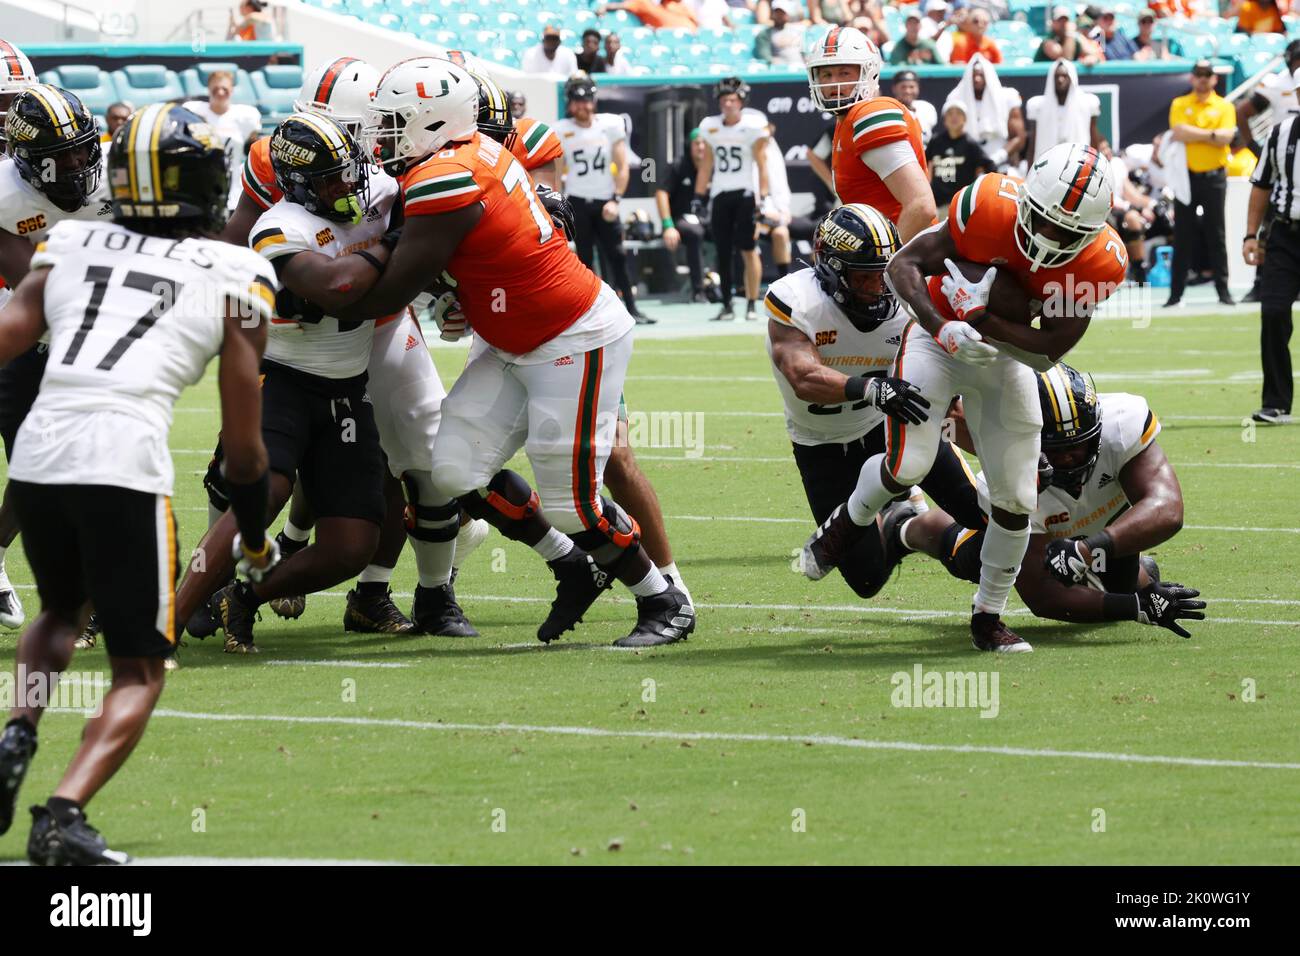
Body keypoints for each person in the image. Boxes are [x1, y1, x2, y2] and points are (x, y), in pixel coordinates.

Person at [0, 102, 277, 864]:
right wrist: (252, 538)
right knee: (140, 667)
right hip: (122, 463)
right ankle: (62, 815)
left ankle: (17, 732)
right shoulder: (238, 271)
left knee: (58, 613)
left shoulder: (70, 239)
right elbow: (246, 453)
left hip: (38, 452)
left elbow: (10, 337)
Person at [346, 57, 694, 647]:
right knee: (450, 468)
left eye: (396, 121)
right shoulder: (469, 152)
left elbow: (400, 282)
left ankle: (664, 601)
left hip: (570, 337)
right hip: (512, 340)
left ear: (434, 120)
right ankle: (575, 566)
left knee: (573, 502)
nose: (383, 134)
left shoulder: (446, 176)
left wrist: (308, 285)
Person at [803, 144, 1123, 654]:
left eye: (1068, 233)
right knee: (910, 463)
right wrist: (943, 325)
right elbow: (903, 266)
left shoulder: (1100, 263)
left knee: (1018, 499)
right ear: (1026, 201)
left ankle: (988, 617)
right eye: (1042, 221)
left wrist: (983, 320)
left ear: (1092, 232)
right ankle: (848, 521)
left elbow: (1048, 350)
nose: (1049, 238)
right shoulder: (988, 204)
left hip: (1007, 357)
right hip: (937, 339)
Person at [767, 203, 984, 599]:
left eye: (882, 274)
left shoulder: (904, 303)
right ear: (832, 270)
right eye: (865, 277)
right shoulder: (797, 301)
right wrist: (871, 389)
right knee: (866, 578)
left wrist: (999, 454)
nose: (878, 288)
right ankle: (904, 529)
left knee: (981, 513)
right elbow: (802, 377)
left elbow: (951, 405)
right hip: (823, 446)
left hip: (893, 423)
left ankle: (948, 540)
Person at [896, 364, 1206, 636]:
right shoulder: (1007, 473)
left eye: (1080, 445)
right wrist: (1135, 607)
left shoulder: (1122, 423)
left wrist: (1089, 549)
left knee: (1118, 584)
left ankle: (1123, 569)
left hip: (1096, 527)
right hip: (1036, 528)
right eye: (1057, 449)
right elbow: (1042, 595)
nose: (1070, 458)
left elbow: (1168, 508)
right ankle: (907, 526)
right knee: (971, 558)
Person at [0, 85, 113, 633]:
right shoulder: (5, 195)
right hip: (24, 339)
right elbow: (34, 292)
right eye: (59, 155)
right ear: (26, 159)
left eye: (81, 148)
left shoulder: (118, 171)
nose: (76, 163)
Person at [806, 26, 936, 241]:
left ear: (869, 72)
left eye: (844, 73)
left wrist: (886, 267)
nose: (832, 83)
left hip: (908, 260)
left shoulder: (870, 114)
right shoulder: (846, 120)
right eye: (826, 74)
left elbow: (921, 205)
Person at [555, 76, 652, 322]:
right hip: (577, 201)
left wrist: (616, 199)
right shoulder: (562, 129)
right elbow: (556, 171)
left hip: (605, 201)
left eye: (585, 100)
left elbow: (621, 164)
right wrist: (558, 203)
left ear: (593, 101)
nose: (582, 107)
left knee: (617, 256)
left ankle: (631, 308)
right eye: (577, 102)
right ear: (570, 103)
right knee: (585, 260)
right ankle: (591, 312)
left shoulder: (609, 125)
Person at [694, 76, 770, 321]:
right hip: (720, 194)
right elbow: (707, 164)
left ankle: (750, 303)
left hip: (745, 193)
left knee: (748, 250)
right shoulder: (709, 126)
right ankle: (727, 304)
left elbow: (762, 163)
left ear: (741, 101)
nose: (727, 104)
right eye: (724, 99)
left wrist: (764, 197)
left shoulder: (753, 125)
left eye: (732, 99)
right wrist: (699, 195)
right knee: (723, 252)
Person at [1243, 100, 1300, 424]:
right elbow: (1261, 185)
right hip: (1286, 236)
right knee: (1274, 310)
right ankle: (1276, 401)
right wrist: (1250, 235)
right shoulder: (1280, 134)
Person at [1165, 60, 1236, 307]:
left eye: (1208, 74)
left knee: (1216, 234)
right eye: (1199, 74)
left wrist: (1196, 134)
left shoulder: (1224, 106)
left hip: (1214, 177)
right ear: (1192, 78)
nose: (1203, 78)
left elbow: (1227, 137)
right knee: (1182, 236)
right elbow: (1178, 131)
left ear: (1214, 79)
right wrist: (1211, 136)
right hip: (1187, 177)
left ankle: (1223, 291)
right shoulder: (1179, 103)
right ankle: (1175, 294)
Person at [183, 70, 262, 210]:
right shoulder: (194, 111)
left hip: (234, 187)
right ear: (208, 89)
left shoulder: (245, 116)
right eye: (215, 88)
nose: (220, 92)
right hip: (202, 184)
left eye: (224, 88)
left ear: (231, 90)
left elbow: (252, 146)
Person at [942, 53, 1024, 171]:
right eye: (973, 75)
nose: (977, 79)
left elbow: (1019, 138)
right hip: (967, 166)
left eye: (981, 75)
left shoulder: (1007, 97)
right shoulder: (956, 98)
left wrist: (997, 158)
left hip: (999, 162)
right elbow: (952, 134)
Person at [655, 128, 709, 300]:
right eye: (696, 143)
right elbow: (661, 193)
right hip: (681, 219)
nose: (701, 147)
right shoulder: (678, 166)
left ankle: (736, 287)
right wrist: (668, 225)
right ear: (689, 146)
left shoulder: (715, 167)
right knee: (695, 233)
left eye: (704, 143)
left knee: (733, 230)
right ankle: (698, 291)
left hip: (708, 219)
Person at [1025, 60, 1106, 164]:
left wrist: (1095, 165)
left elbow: (1093, 137)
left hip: (1077, 165)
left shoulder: (1088, 103)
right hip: (1047, 166)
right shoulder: (1037, 106)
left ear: (1071, 78)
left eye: (1064, 76)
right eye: (1057, 76)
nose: (1060, 80)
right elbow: (1033, 143)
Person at [926, 101, 992, 214]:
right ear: (944, 119)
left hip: (961, 206)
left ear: (965, 119)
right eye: (950, 113)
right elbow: (923, 162)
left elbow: (990, 166)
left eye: (958, 113)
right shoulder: (936, 141)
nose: (954, 117)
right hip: (936, 205)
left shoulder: (970, 144)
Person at [757, 121, 793, 277]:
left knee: (781, 233)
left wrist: (783, 212)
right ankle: (744, 286)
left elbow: (780, 190)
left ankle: (784, 281)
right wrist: (760, 213)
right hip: (748, 215)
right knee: (749, 234)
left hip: (770, 217)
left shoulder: (773, 155)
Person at [1037, 7, 1104, 65]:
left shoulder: (1075, 38)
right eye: (1059, 20)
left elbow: (1096, 55)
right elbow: (1066, 60)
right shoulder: (1048, 41)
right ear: (1053, 23)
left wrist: (1092, 58)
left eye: (1065, 20)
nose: (1063, 24)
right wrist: (1070, 33)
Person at [892, 69, 937, 147]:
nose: (908, 91)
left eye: (911, 87)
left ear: (918, 88)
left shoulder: (927, 108)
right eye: (903, 87)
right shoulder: (889, 110)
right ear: (894, 89)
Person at [755, 0, 807, 65]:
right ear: (772, 14)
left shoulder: (798, 31)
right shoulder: (764, 34)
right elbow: (764, 55)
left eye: (782, 13)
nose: (779, 15)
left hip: (801, 68)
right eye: (777, 12)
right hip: (779, 70)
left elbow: (806, 52)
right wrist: (775, 63)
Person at [597, 0, 699, 28]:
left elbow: (697, 24)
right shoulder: (644, 3)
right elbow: (621, 5)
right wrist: (604, 6)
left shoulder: (677, 3)